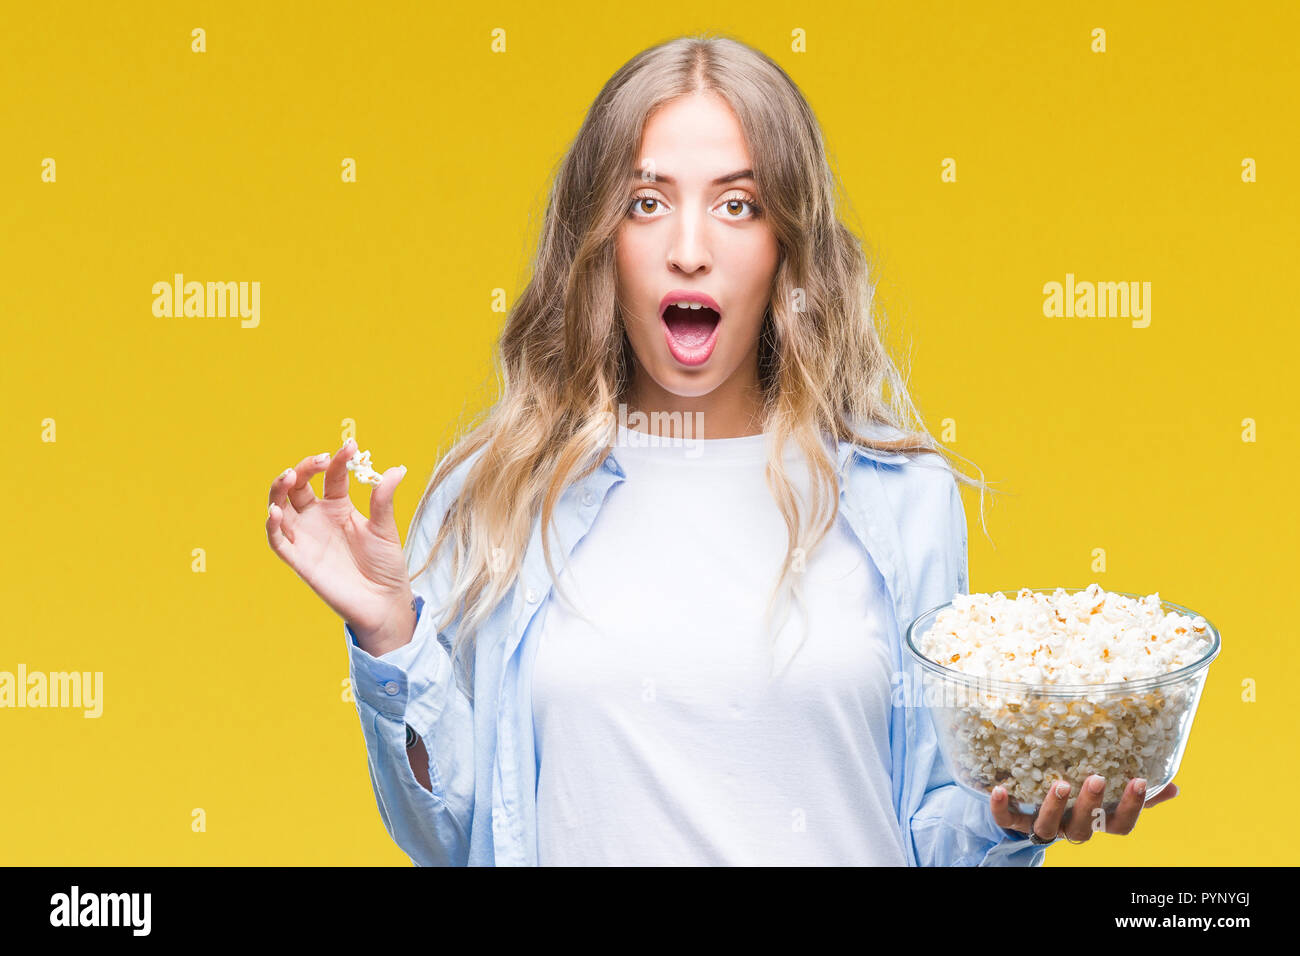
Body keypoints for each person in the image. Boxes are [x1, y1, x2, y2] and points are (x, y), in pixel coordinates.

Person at [265, 33, 1177, 866]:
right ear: (600, 240)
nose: (689, 250)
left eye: (737, 205)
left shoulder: (902, 496)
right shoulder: (498, 492)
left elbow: (931, 826)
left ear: (787, 245)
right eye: (646, 203)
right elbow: (456, 835)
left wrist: (1006, 817)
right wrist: (391, 633)